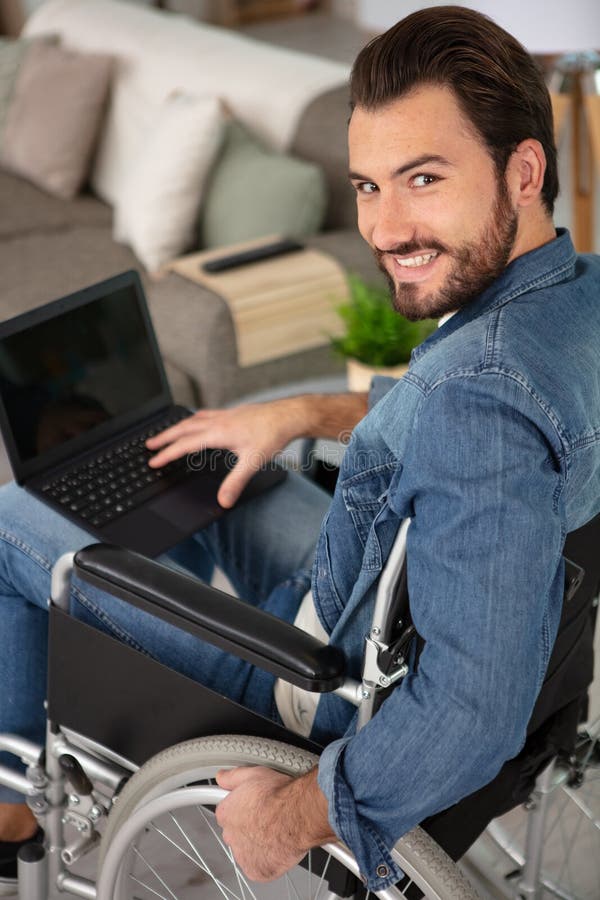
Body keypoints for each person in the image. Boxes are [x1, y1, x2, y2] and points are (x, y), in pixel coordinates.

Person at [1, 4, 600, 893]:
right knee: (197, 454)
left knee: (14, 516)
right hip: (370, 594)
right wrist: (296, 413)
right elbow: (458, 425)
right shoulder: (572, 298)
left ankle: (10, 800)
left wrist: (289, 816)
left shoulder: (480, 407)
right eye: (368, 185)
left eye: (424, 179)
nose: (386, 230)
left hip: (317, 682)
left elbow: (470, 713)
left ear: (523, 170)